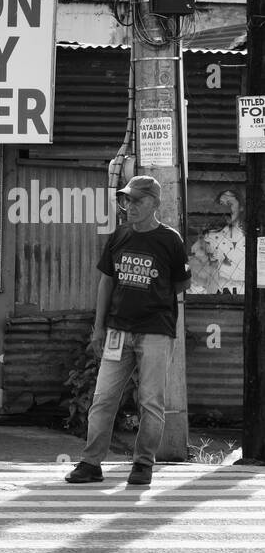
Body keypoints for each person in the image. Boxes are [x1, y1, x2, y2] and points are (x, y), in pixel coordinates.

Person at [66, 175, 191, 487]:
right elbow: (107, 281)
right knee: (103, 398)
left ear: (154, 203)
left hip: (156, 331)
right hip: (118, 330)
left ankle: (143, 464)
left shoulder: (170, 240)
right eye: (126, 200)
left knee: (151, 400)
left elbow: (181, 283)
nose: (129, 206)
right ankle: (91, 463)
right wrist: (98, 328)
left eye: (137, 200)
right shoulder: (119, 236)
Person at [188, 189, 245, 295]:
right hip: (215, 297)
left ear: (241, 207)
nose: (225, 209)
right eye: (222, 205)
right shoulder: (208, 237)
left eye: (229, 204)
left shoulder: (252, 236)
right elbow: (197, 275)